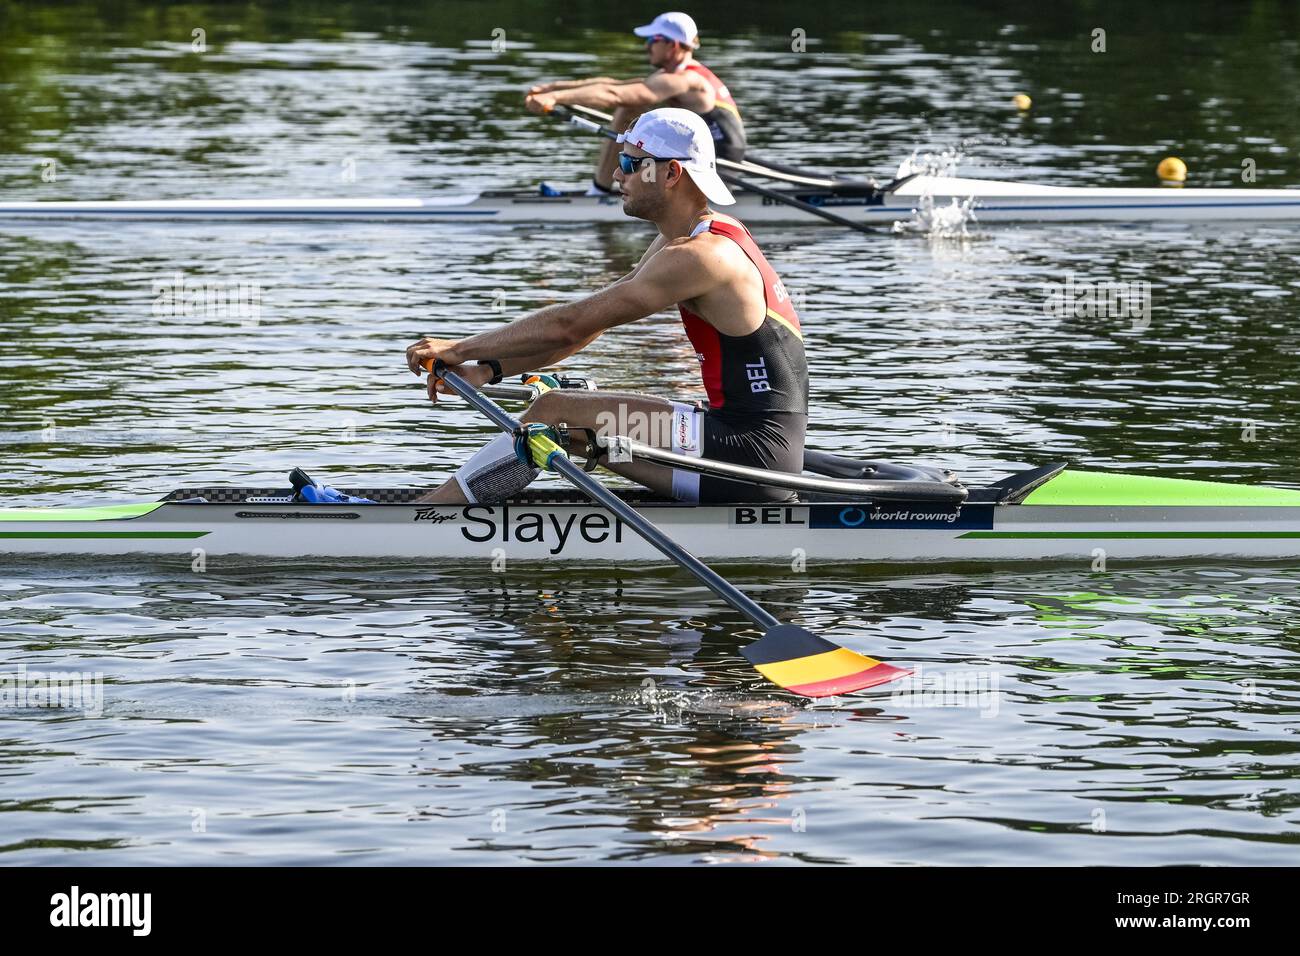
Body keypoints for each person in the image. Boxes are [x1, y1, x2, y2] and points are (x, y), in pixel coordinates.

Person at [405, 108, 805, 507]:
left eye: (630, 163)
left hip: (751, 456)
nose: (616, 174)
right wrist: (490, 368)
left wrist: (460, 348)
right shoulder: (690, 238)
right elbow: (586, 327)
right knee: (564, 416)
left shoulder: (703, 255)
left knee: (553, 409)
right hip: (746, 443)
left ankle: (426, 516)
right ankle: (448, 506)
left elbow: (568, 324)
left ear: (671, 174)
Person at [524, 12, 745, 194]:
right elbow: (613, 84)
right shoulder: (671, 75)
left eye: (652, 40)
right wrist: (552, 89)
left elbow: (615, 95)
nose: (646, 47)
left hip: (718, 158)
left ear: (673, 46)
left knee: (628, 108)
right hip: (703, 150)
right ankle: (612, 189)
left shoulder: (685, 79)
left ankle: (599, 192)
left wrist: (555, 99)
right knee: (634, 112)